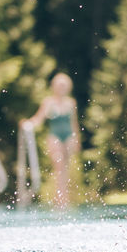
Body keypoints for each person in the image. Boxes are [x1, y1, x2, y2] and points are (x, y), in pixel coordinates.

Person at [22, 72, 80, 209]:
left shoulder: (71, 103)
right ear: (54, 86)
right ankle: (59, 198)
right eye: (59, 85)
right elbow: (39, 119)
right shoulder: (48, 102)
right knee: (59, 166)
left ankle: (64, 197)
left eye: (64, 85)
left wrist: (77, 140)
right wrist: (28, 123)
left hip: (68, 136)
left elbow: (74, 124)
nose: (61, 88)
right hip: (55, 136)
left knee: (65, 168)